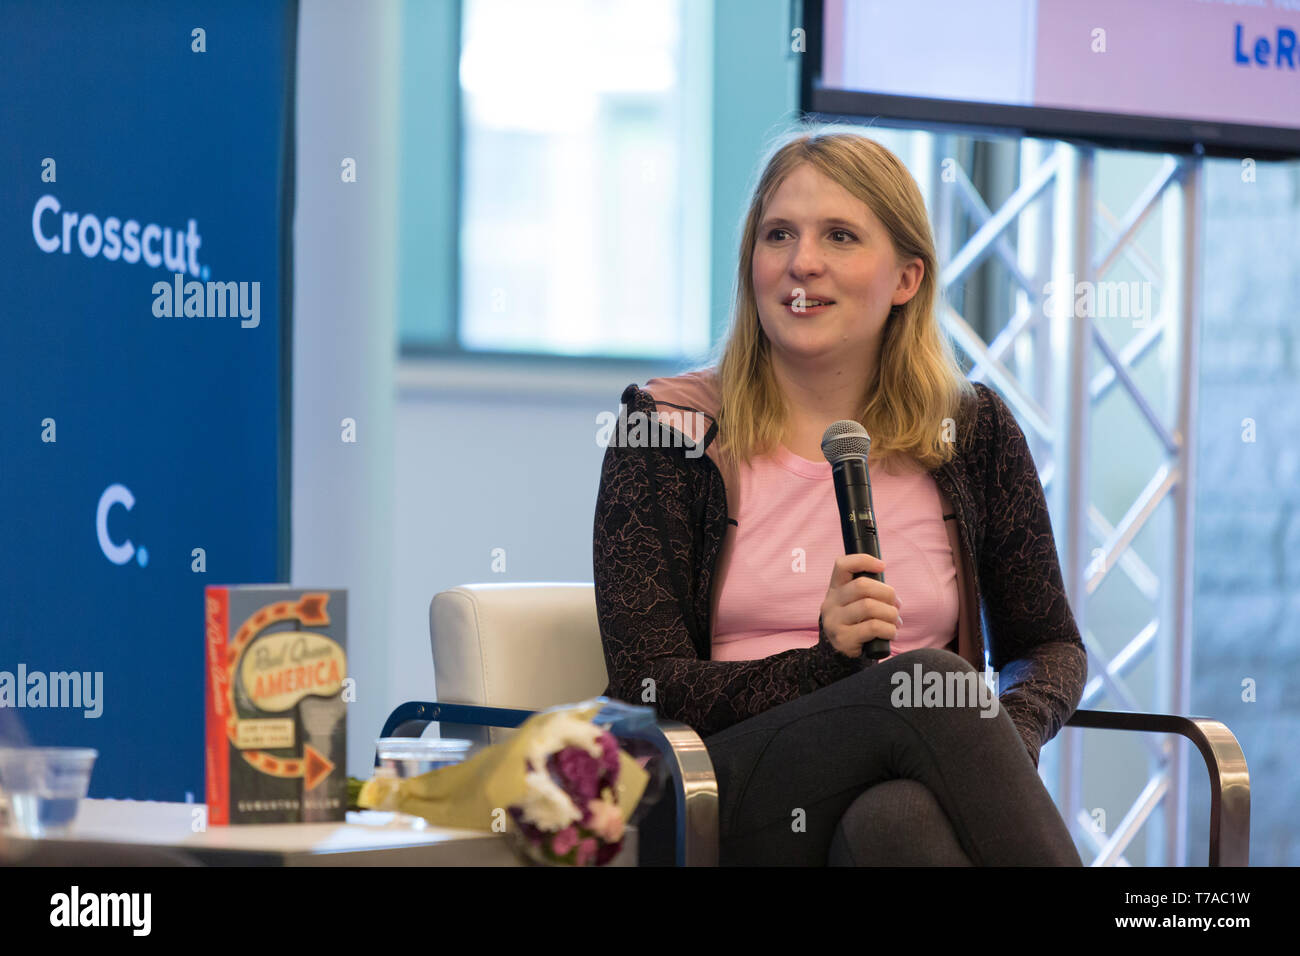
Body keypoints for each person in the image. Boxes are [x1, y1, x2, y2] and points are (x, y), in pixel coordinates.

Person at [592, 129, 1086, 866]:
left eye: (840, 236)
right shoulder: (666, 429)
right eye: (779, 234)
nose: (802, 263)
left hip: (893, 788)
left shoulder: (971, 431)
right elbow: (648, 682)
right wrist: (823, 664)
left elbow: (1049, 646)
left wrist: (992, 736)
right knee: (929, 687)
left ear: (906, 279)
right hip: (708, 791)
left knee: (902, 823)